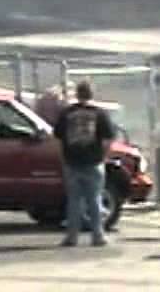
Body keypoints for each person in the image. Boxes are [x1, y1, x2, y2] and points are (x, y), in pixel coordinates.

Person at [53, 80, 117, 247]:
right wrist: (103, 156)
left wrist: (63, 157)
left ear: (77, 93)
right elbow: (108, 138)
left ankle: (71, 236)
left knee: (74, 200)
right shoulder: (99, 113)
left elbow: (58, 138)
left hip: (72, 161)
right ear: (92, 93)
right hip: (93, 161)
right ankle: (98, 235)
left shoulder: (67, 113)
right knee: (94, 199)